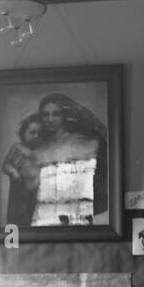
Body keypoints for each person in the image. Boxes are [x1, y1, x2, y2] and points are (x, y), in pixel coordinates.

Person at [31, 93, 108, 226]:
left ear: (64, 116)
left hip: (78, 212)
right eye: (46, 114)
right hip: (45, 215)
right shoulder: (38, 146)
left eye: (56, 114)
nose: (50, 119)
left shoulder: (82, 142)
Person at [2, 112, 43, 229]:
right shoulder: (18, 148)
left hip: (35, 193)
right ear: (23, 133)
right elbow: (5, 165)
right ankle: (14, 242)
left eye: (40, 134)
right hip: (19, 192)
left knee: (34, 219)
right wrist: (13, 171)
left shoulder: (42, 151)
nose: (36, 136)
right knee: (17, 220)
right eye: (32, 133)